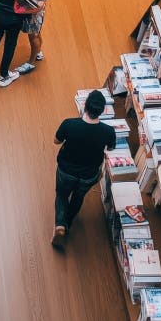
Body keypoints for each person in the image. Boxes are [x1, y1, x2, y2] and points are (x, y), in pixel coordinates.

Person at [52, 89, 116, 248]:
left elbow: (56, 141)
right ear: (102, 111)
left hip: (66, 170)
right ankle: (67, 222)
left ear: (84, 106)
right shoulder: (108, 131)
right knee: (78, 197)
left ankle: (60, 225)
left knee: (61, 195)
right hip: (89, 174)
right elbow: (111, 148)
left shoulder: (69, 124)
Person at [14, 0, 51, 75]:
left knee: (33, 37)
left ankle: (31, 61)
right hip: (35, 16)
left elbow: (39, 7)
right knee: (37, 34)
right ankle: (38, 52)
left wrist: (23, 2)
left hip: (34, 17)